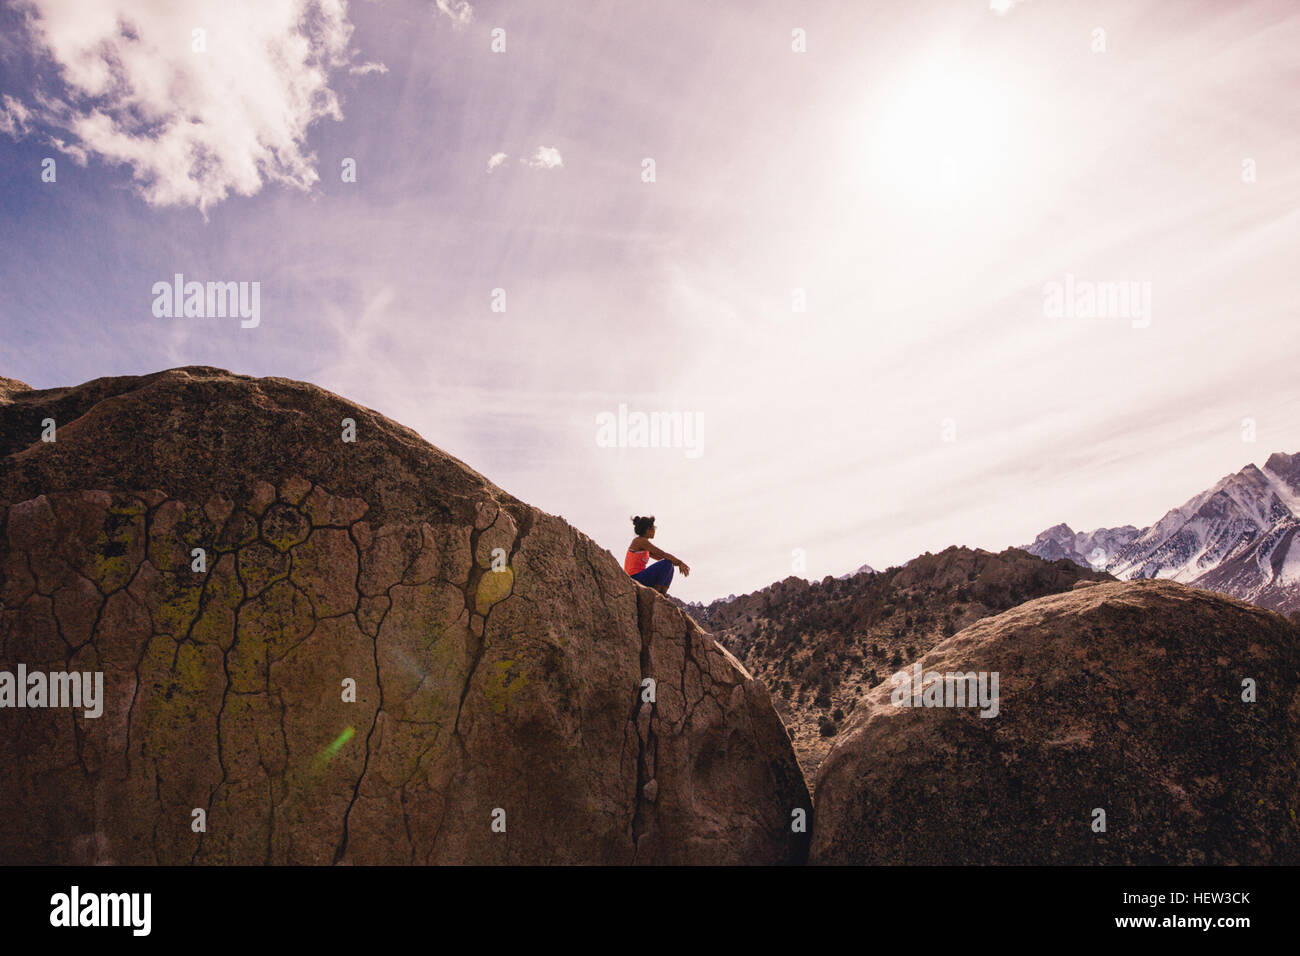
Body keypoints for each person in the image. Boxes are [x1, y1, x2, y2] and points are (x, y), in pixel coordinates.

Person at [624, 515, 690, 595]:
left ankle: (662, 594)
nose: (655, 530)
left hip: (640, 577)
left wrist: (677, 563)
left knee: (670, 565)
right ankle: (656, 593)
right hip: (634, 578)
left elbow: (661, 558)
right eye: (654, 528)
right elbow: (662, 554)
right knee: (667, 563)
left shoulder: (644, 545)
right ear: (648, 530)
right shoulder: (640, 541)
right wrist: (680, 563)